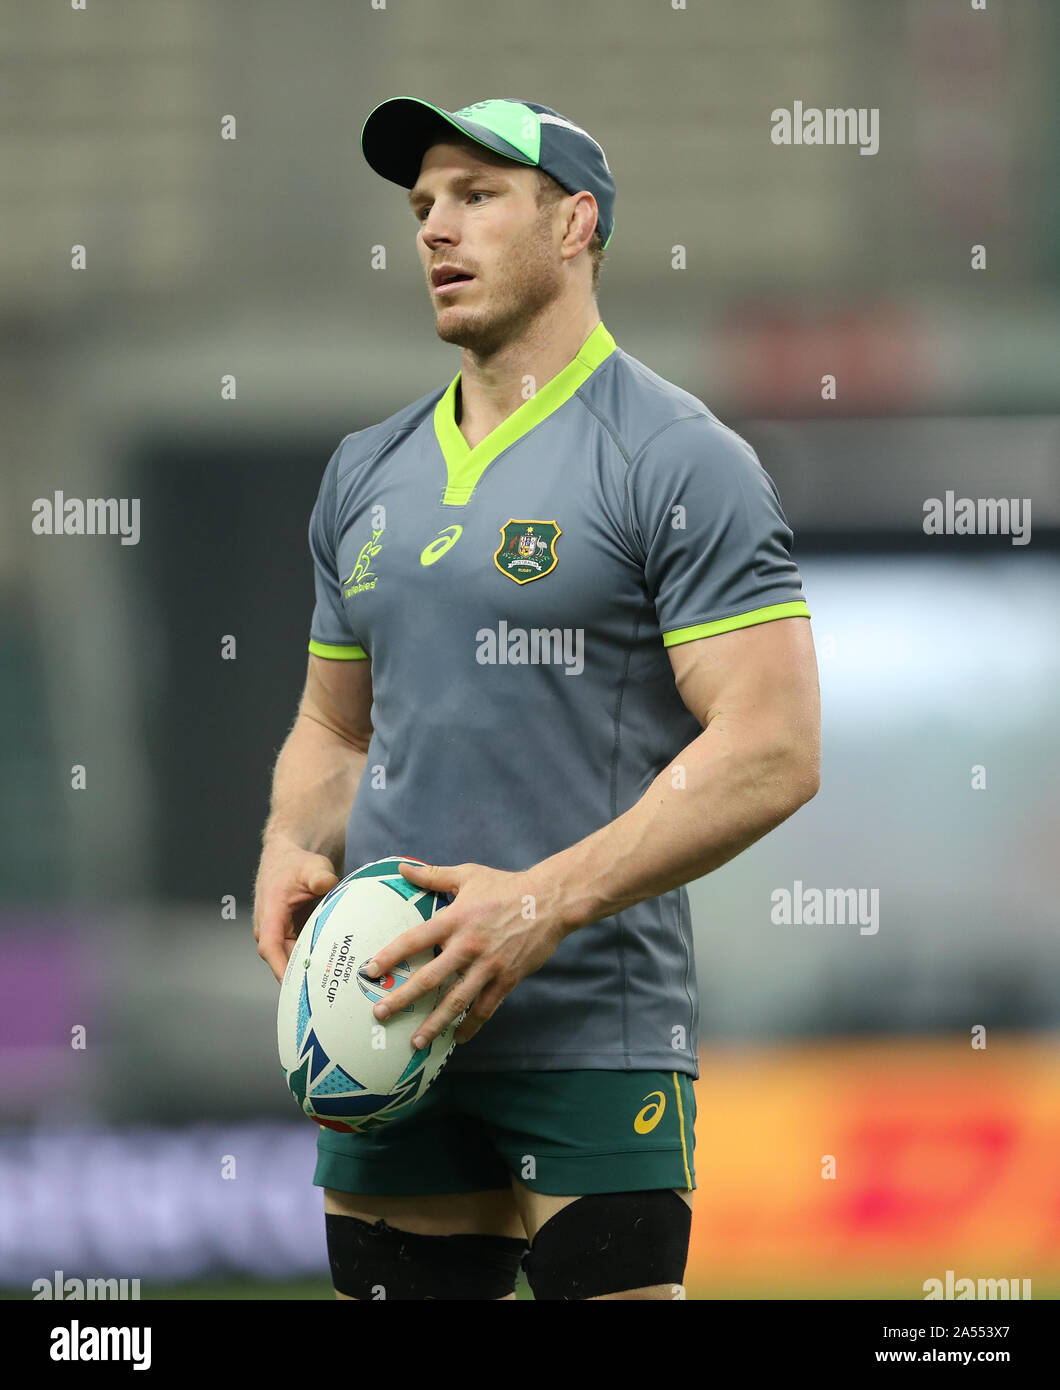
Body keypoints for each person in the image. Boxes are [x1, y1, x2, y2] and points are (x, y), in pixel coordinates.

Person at [253, 97, 821, 1301]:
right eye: (420, 207)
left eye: (475, 195)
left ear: (575, 224)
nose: (434, 230)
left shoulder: (678, 458)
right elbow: (333, 725)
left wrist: (541, 904)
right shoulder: (366, 470)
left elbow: (772, 746)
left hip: (591, 1032)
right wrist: (289, 843)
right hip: (389, 1024)